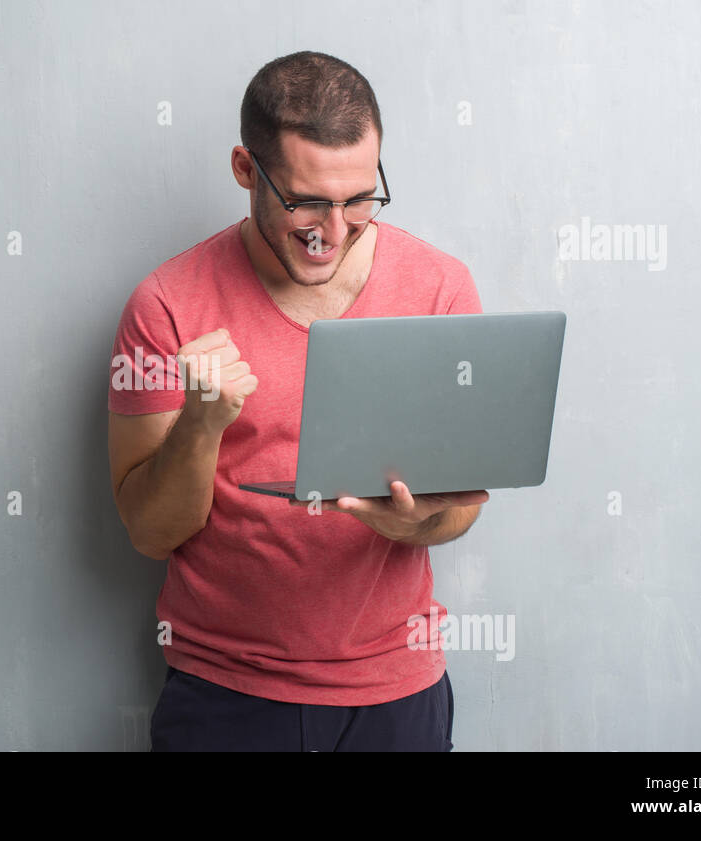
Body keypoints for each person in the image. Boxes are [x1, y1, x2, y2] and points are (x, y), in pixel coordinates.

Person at [107, 51, 489, 751]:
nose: (333, 231)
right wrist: (201, 424)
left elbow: (461, 503)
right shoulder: (166, 303)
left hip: (398, 691)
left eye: (358, 199)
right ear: (246, 170)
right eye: (306, 201)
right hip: (227, 695)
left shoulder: (441, 291)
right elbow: (148, 532)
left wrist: (416, 526)